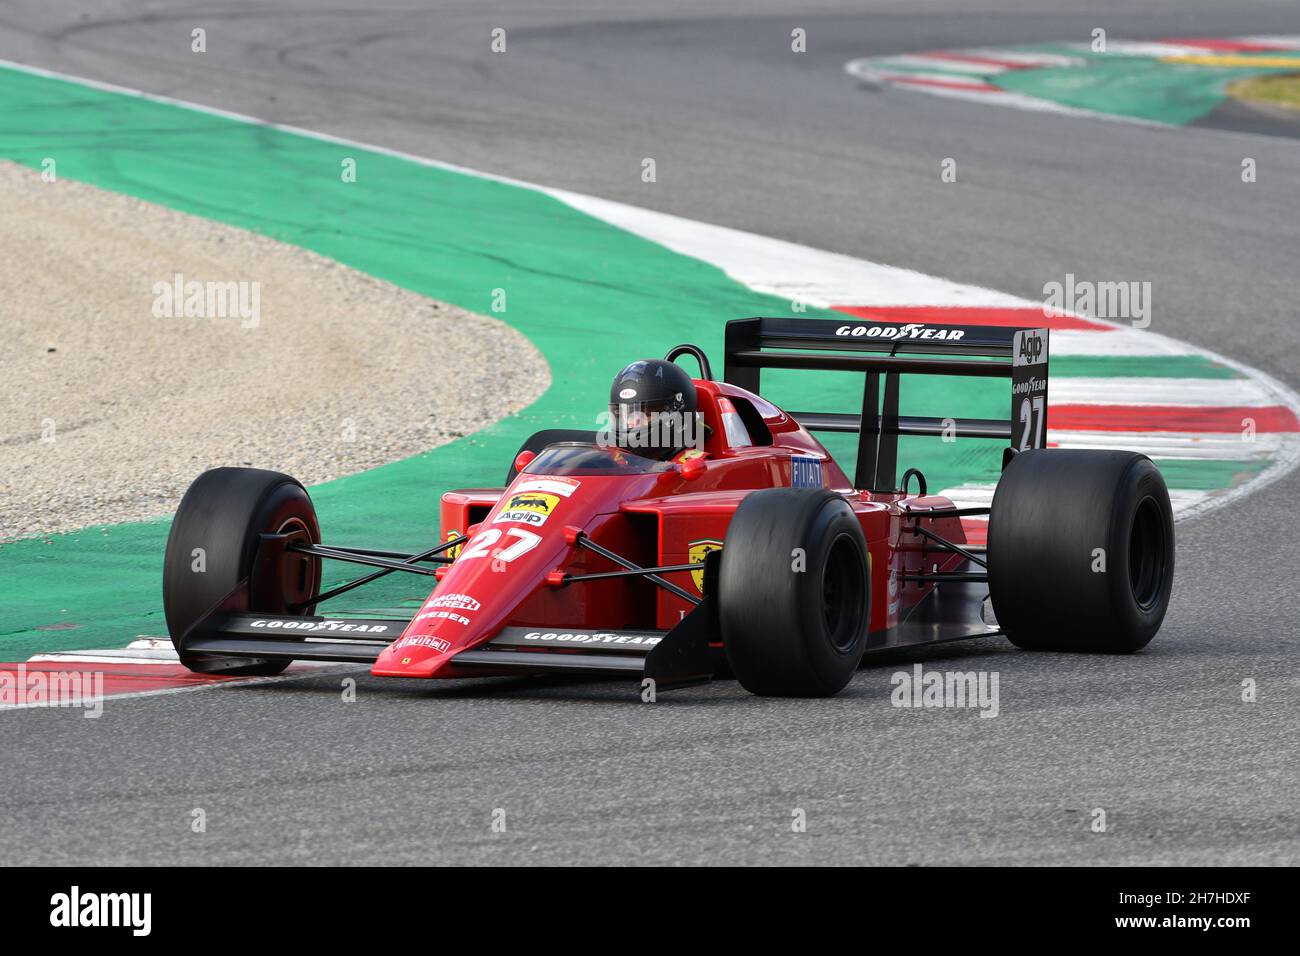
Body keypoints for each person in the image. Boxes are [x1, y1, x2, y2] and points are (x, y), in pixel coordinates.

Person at [606, 359, 703, 461]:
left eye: (647, 413)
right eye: (624, 414)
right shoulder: (614, 462)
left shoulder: (697, 467)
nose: (633, 422)